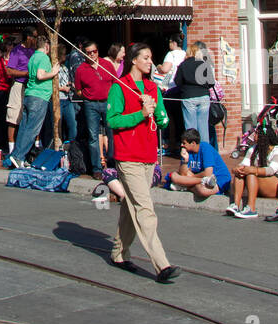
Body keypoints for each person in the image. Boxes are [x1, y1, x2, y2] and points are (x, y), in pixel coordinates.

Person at [106, 42, 179, 282]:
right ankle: (162, 265)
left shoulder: (152, 87)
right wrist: (141, 114)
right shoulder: (120, 86)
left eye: (151, 57)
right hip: (128, 157)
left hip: (148, 155)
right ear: (134, 60)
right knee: (145, 209)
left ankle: (118, 252)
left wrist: (157, 113)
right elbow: (113, 121)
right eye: (146, 58)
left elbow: (163, 120)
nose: (150, 62)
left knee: (131, 205)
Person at [9, 34, 59, 167]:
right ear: (47, 46)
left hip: (30, 94)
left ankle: (18, 155)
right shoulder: (43, 58)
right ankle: (19, 156)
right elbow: (40, 75)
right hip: (39, 96)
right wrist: (53, 72)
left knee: (25, 127)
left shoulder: (32, 57)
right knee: (32, 129)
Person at [226, 117, 278, 218]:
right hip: (261, 182)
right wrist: (237, 169)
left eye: (255, 133)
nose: (253, 135)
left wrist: (253, 170)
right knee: (241, 173)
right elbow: (244, 164)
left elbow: (271, 170)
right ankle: (235, 204)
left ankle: (251, 208)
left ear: (262, 136)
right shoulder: (253, 149)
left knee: (251, 173)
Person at [75, 41, 120, 173]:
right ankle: (97, 168)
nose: (92, 55)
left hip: (107, 102)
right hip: (91, 104)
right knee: (93, 136)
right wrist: (87, 95)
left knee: (111, 133)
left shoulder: (107, 65)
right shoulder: (81, 69)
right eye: (89, 52)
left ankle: (112, 164)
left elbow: (115, 82)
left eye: (94, 51)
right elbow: (78, 90)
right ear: (85, 54)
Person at [167, 128, 232, 199]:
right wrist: (184, 161)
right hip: (202, 180)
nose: (182, 145)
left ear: (193, 143)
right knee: (174, 176)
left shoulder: (206, 148)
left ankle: (184, 186)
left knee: (203, 191)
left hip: (218, 179)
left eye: (184, 143)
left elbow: (208, 173)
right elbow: (183, 174)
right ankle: (194, 183)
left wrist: (189, 179)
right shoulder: (186, 151)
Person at [173, 41, 214, 140]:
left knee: (190, 127)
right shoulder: (203, 64)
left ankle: (192, 153)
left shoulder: (183, 65)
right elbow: (211, 83)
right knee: (203, 127)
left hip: (188, 96)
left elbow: (177, 81)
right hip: (204, 96)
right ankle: (204, 152)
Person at [5, 33, 31, 153]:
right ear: (28, 37)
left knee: (31, 116)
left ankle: (32, 147)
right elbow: (9, 70)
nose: (36, 39)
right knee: (14, 117)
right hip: (19, 84)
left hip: (31, 87)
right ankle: (11, 149)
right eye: (34, 36)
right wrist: (25, 74)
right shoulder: (17, 51)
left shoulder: (34, 51)